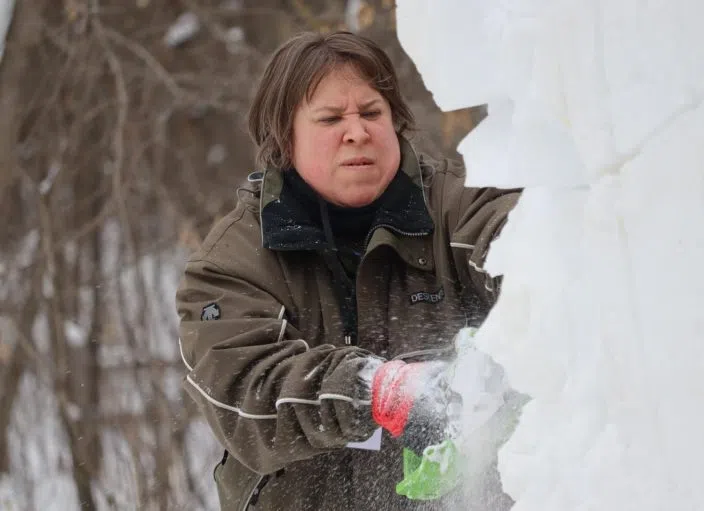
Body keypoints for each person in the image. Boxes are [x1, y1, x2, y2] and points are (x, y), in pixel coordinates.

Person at [176, 30, 521, 511]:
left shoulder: (461, 203)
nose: (357, 131)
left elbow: (531, 252)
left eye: (372, 113)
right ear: (284, 140)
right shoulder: (232, 261)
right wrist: (381, 392)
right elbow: (245, 393)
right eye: (331, 118)